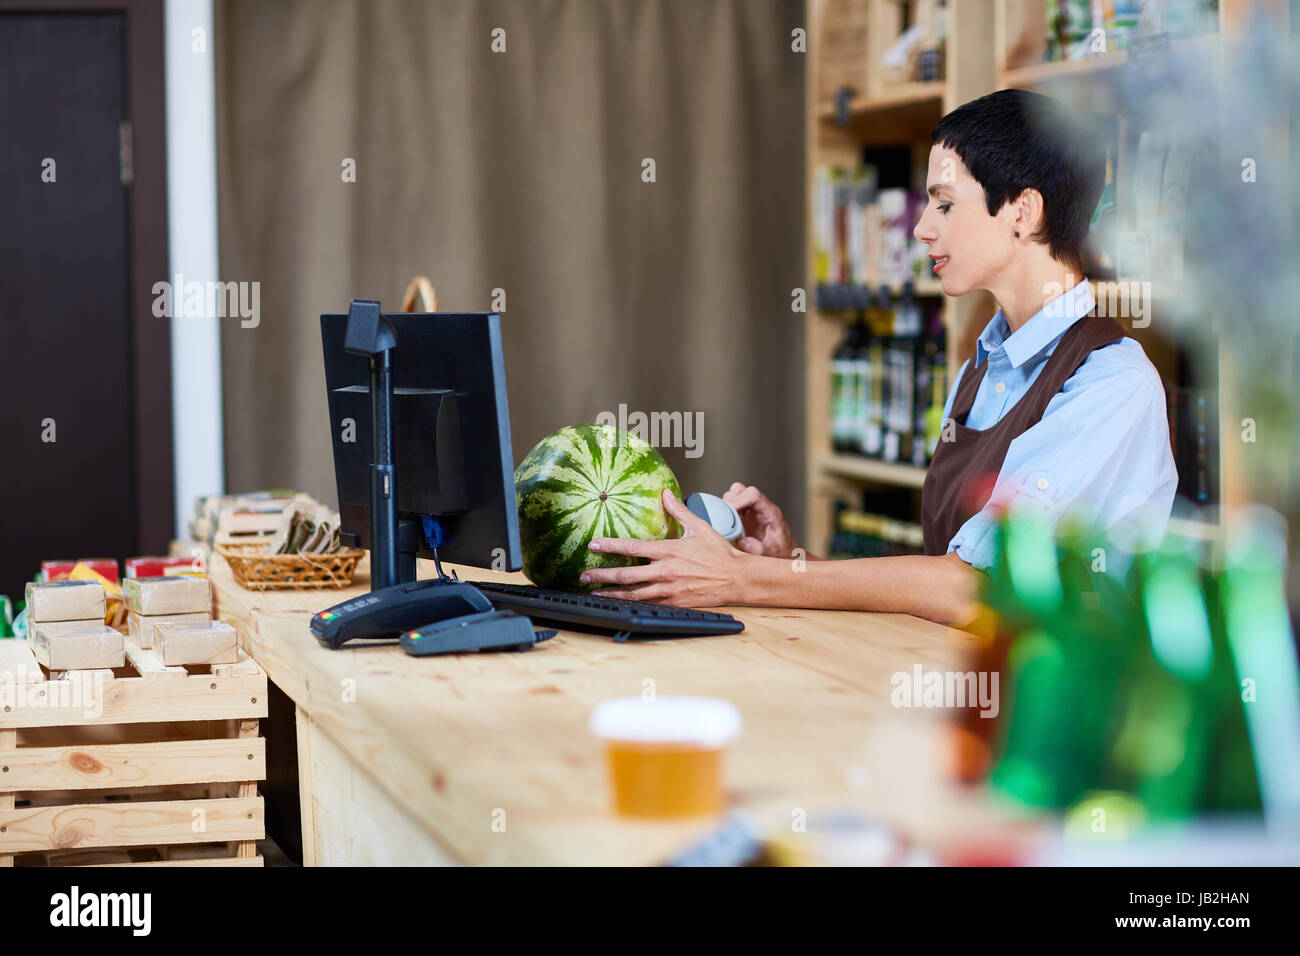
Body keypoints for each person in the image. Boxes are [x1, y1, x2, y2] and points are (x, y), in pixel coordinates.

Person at [579, 89, 1177, 628]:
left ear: (1023, 211)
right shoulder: (983, 370)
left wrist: (746, 580)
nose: (919, 228)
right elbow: (938, 578)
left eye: (943, 204)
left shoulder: (1112, 384)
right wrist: (792, 562)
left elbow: (978, 589)